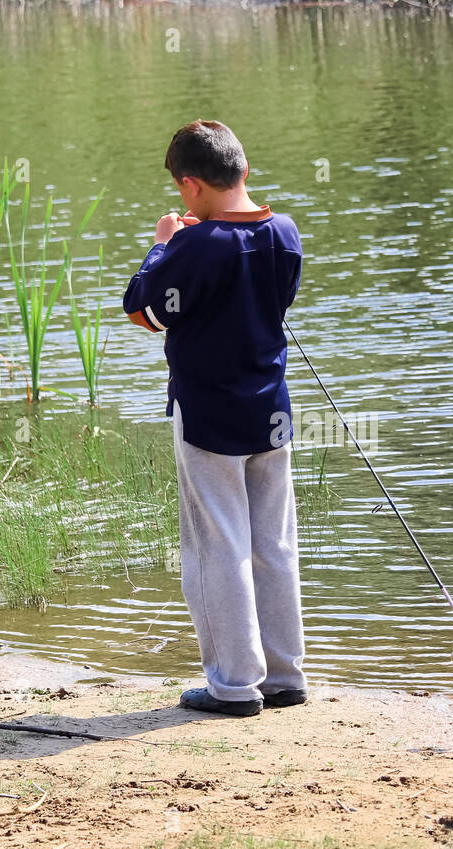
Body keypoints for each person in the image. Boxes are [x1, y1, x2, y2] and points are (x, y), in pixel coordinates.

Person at [122, 119, 308, 718]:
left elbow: (144, 310)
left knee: (217, 547)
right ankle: (284, 676)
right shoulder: (284, 232)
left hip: (208, 415)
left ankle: (232, 686)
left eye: (181, 190)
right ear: (246, 172)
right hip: (270, 413)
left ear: (190, 185)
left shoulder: (193, 244)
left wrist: (163, 244)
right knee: (273, 543)